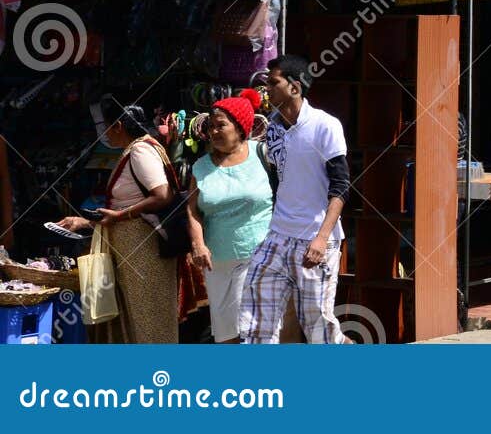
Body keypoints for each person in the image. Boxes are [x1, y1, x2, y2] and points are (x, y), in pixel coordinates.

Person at [239, 55, 351, 344]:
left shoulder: (325, 125)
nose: (267, 90)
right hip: (278, 235)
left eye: (273, 83)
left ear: (295, 87)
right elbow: (280, 181)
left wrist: (321, 238)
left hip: (316, 236)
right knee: (256, 313)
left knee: (317, 325)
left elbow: (340, 186)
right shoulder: (273, 128)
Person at [57, 100, 179, 343]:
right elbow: (123, 208)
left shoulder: (140, 150)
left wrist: (122, 216)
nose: (102, 133)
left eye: (105, 126)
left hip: (144, 255)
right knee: (133, 320)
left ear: (118, 125)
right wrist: (83, 222)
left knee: (147, 319)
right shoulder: (135, 149)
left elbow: (162, 194)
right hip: (132, 252)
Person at [186, 89, 273, 343]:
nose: (213, 132)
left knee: (253, 330)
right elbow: (192, 209)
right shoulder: (201, 166)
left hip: (258, 257)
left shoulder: (263, 155)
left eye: (220, 125)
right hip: (217, 261)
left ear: (240, 127)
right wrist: (198, 244)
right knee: (226, 333)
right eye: (211, 127)